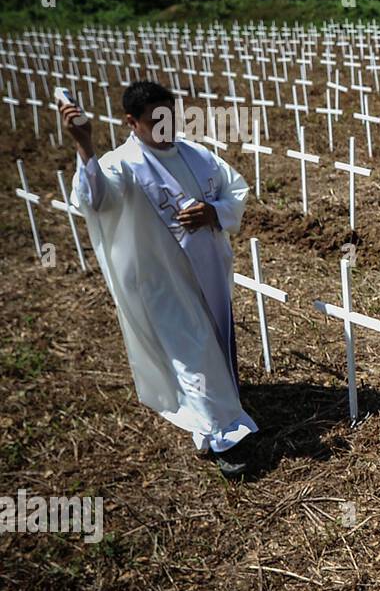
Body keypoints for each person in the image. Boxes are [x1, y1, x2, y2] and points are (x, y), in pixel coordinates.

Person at [59, 80, 258, 478]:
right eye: (156, 121)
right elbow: (95, 200)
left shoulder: (196, 154)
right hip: (160, 281)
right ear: (131, 122)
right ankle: (223, 437)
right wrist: (84, 146)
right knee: (192, 353)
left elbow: (234, 189)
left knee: (211, 345)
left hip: (209, 272)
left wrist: (214, 211)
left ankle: (215, 414)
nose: (167, 127)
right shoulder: (122, 163)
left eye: (172, 117)